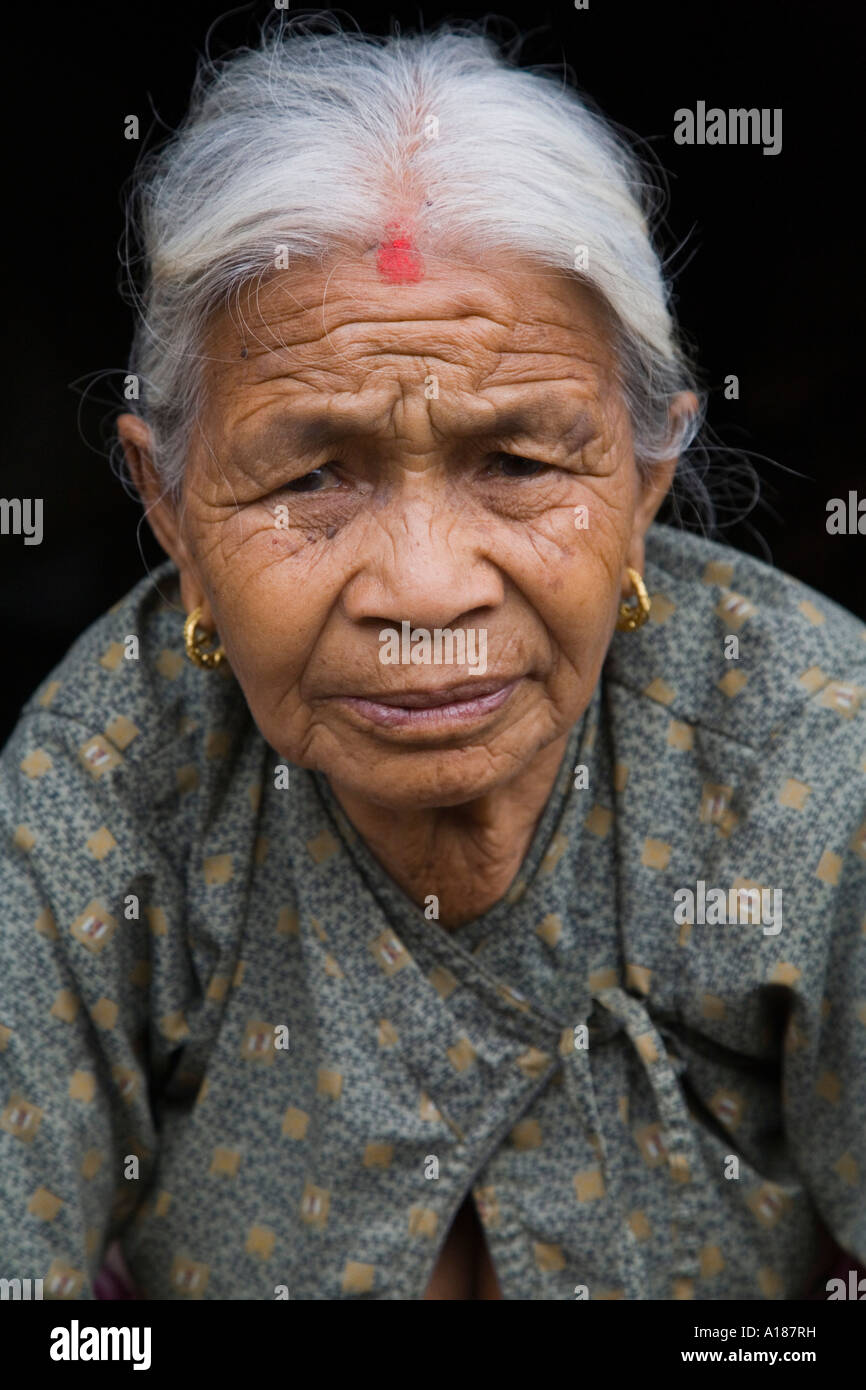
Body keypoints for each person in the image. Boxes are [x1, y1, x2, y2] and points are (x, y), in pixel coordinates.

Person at [1, 15, 864, 1301]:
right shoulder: (100, 791)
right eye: (310, 474)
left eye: (515, 464)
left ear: (640, 485)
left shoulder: (813, 750)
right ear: (170, 506)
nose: (419, 589)